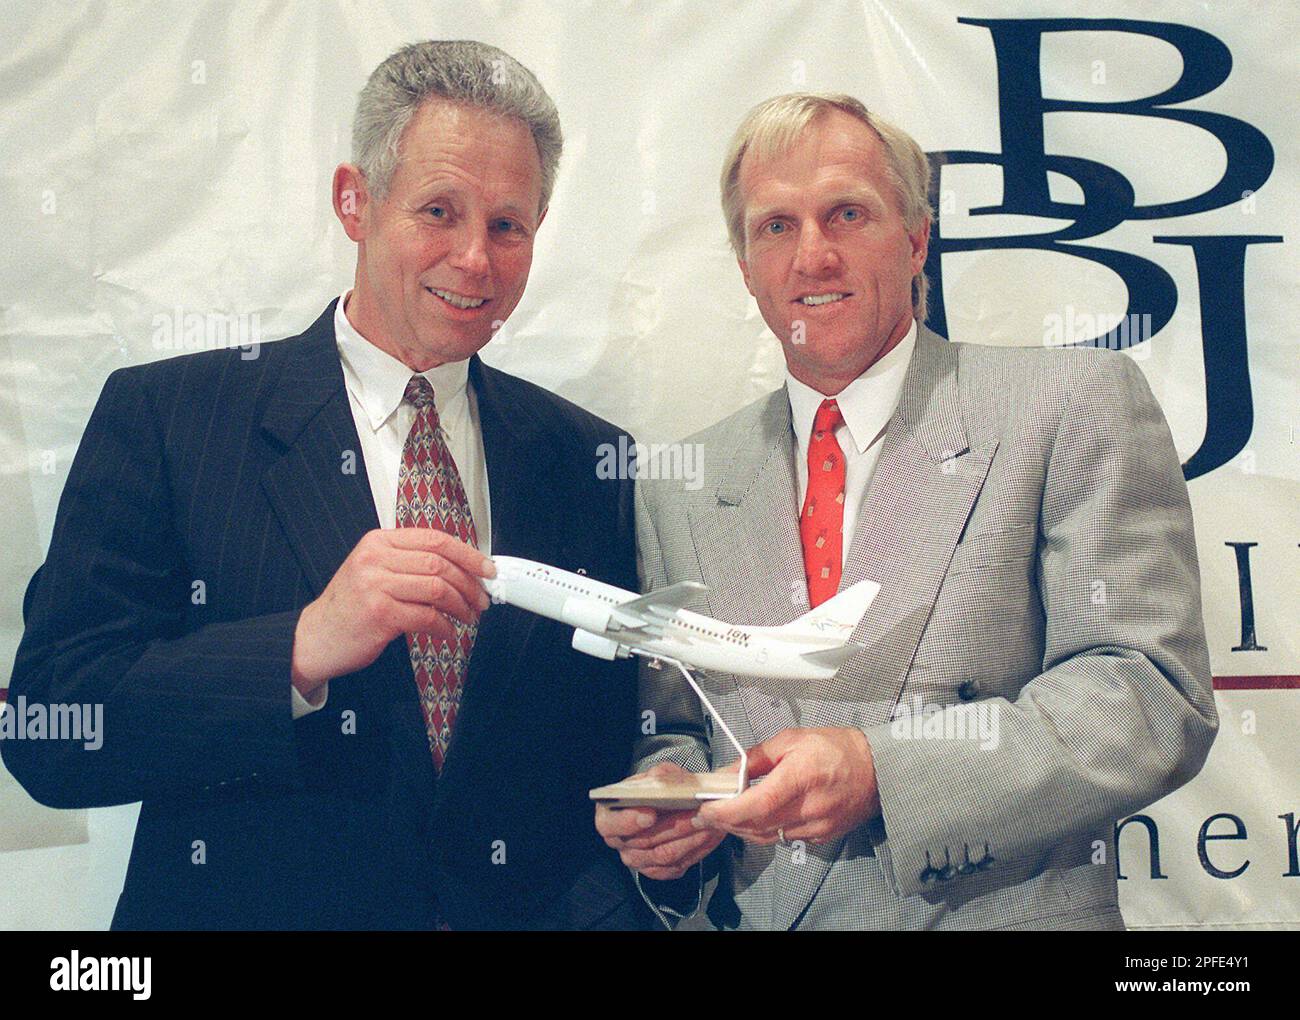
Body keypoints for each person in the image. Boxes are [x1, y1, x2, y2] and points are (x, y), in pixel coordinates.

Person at [4, 40, 647, 931]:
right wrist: (299, 648)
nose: (475, 259)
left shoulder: (589, 462)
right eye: (438, 210)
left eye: (509, 225)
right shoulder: (172, 418)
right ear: (355, 201)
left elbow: (600, 748)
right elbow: (53, 729)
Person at [595, 92, 1218, 930]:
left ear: (918, 238)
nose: (812, 256)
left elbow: (1150, 696)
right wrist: (669, 793)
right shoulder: (679, 483)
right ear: (746, 268)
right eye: (776, 226)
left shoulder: (1070, 403)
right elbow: (677, 723)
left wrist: (885, 772)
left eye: (847, 214)